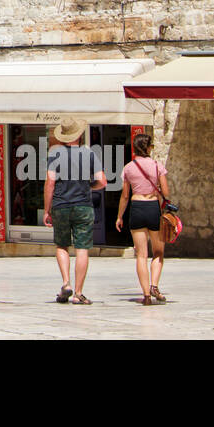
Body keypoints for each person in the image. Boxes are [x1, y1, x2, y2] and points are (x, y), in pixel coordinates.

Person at [43, 117, 105, 305]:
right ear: (79, 135)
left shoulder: (55, 155)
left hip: (61, 205)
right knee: (82, 248)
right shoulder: (90, 154)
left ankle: (66, 283)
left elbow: (50, 183)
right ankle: (78, 292)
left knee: (62, 245)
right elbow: (102, 181)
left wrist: (47, 210)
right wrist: (89, 187)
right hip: (84, 205)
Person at [115, 133, 171, 305]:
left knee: (141, 255)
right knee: (158, 252)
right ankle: (154, 285)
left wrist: (119, 216)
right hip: (153, 207)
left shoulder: (129, 168)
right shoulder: (157, 166)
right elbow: (167, 193)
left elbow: (125, 195)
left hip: (137, 208)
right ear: (148, 148)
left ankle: (146, 295)